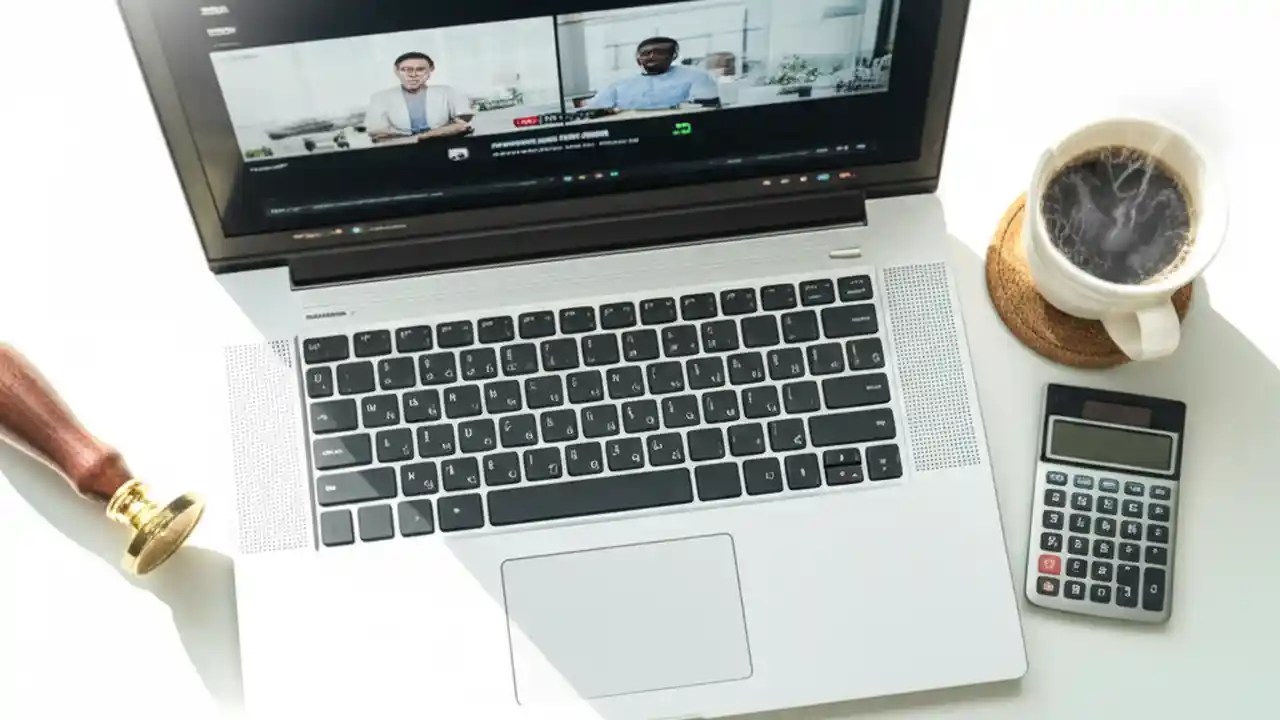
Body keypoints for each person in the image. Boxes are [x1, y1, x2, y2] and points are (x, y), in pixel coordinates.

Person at [585, 37, 720, 112]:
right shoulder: (619, 85)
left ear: (673, 56)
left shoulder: (696, 76)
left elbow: (707, 109)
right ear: (638, 59)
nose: (652, 56)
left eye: (660, 52)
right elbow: (591, 110)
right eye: (646, 53)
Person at [366, 52, 473, 141]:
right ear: (396, 71)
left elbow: (463, 125)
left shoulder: (447, 92)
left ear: (431, 70)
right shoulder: (380, 98)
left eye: (420, 69)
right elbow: (376, 133)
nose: (413, 75)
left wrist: (425, 136)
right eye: (406, 69)